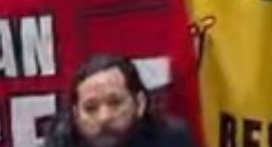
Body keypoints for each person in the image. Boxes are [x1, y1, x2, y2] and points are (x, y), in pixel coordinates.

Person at [44, 54, 196, 147]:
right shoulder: (61, 142)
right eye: (90, 108)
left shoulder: (170, 138)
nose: (104, 117)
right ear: (76, 114)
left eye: (115, 103)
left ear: (140, 104)